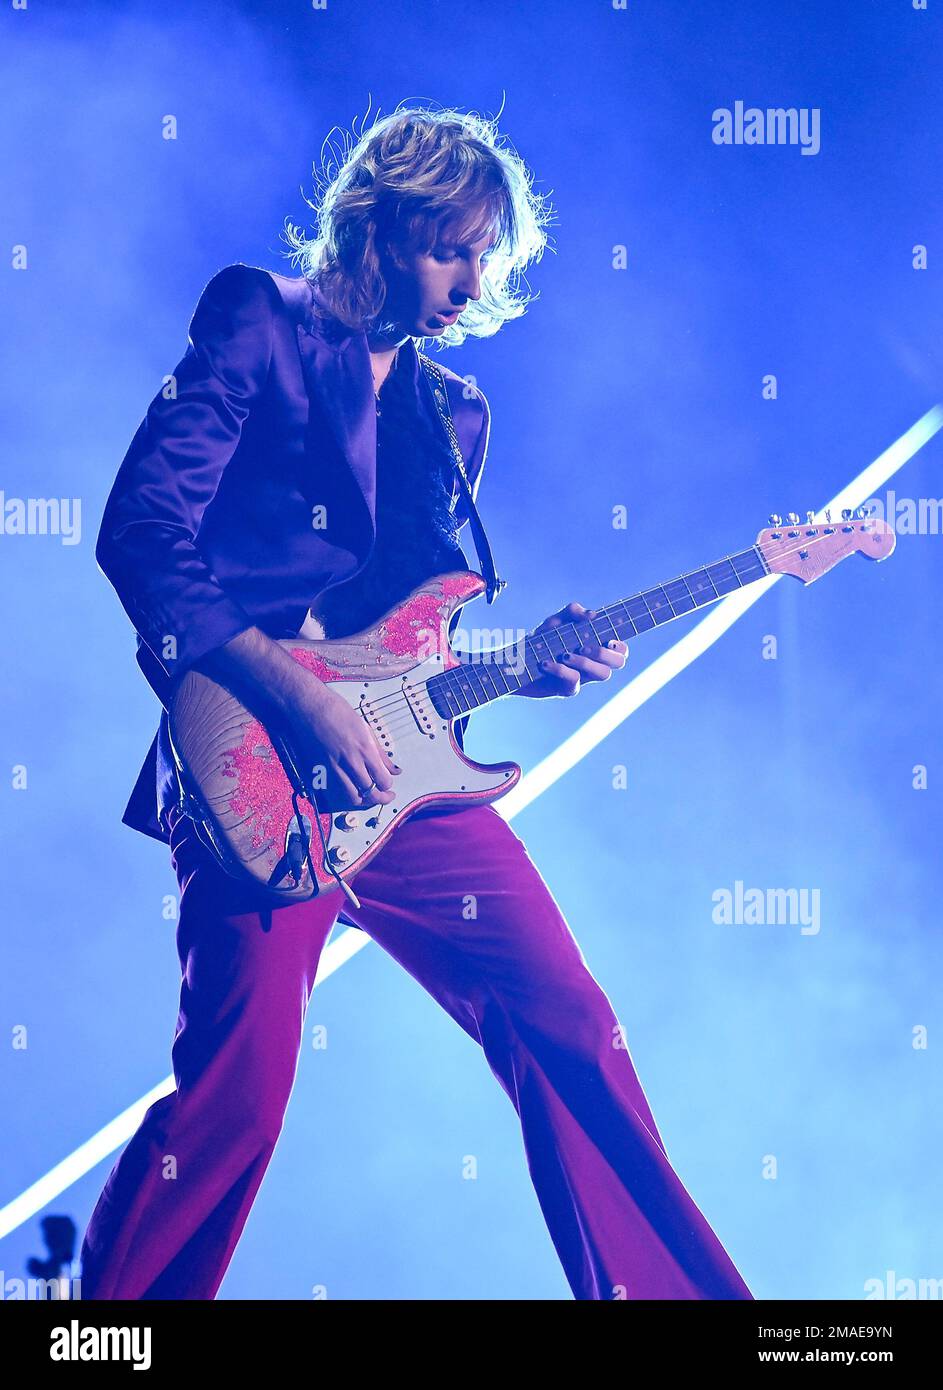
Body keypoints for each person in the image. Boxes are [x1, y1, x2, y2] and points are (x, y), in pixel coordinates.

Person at [79, 105, 753, 1300]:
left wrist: (520, 665)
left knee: (571, 1025)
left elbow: (404, 632)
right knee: (236, 1096)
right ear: (379, 226)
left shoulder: (455, 415)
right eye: (452, 246)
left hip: (408, 785)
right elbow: (141, 532)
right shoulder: (261, 321)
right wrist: (294, 699)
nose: (471, 278)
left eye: (487, 253)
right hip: (257, 765)